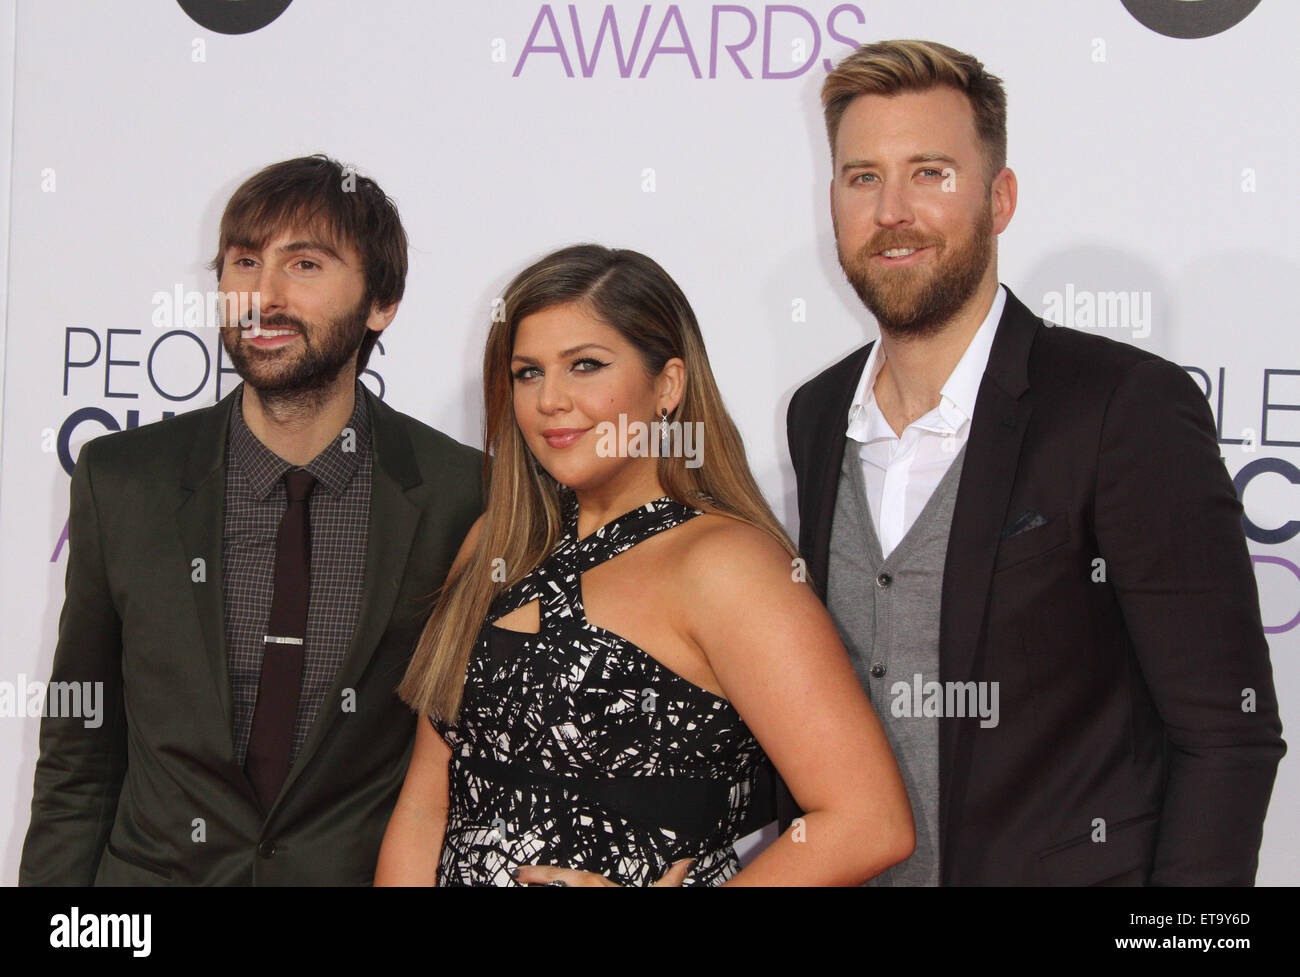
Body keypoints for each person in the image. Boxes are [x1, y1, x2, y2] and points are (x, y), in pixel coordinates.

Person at [785, 39, 1285, 884]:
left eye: (931, 172)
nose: (892, 210)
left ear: (1000, 198)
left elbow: (1228, 734)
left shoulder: (1121, 406)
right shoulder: (819, 412)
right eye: (862, 176)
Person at [376, 244, 914, 886]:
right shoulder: (496, 540)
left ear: (668, 385)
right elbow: (422, 810)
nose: (550, 400)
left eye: (585, 366)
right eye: (527, 372)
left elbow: (868, 820)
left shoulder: (725, 565)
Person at [20, 155, 481, 884]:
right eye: (243, 262)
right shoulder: (125, 481)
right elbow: (81, 748)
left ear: (381, 301)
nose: (262, 295)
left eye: (304, 264)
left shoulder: (462, 495)